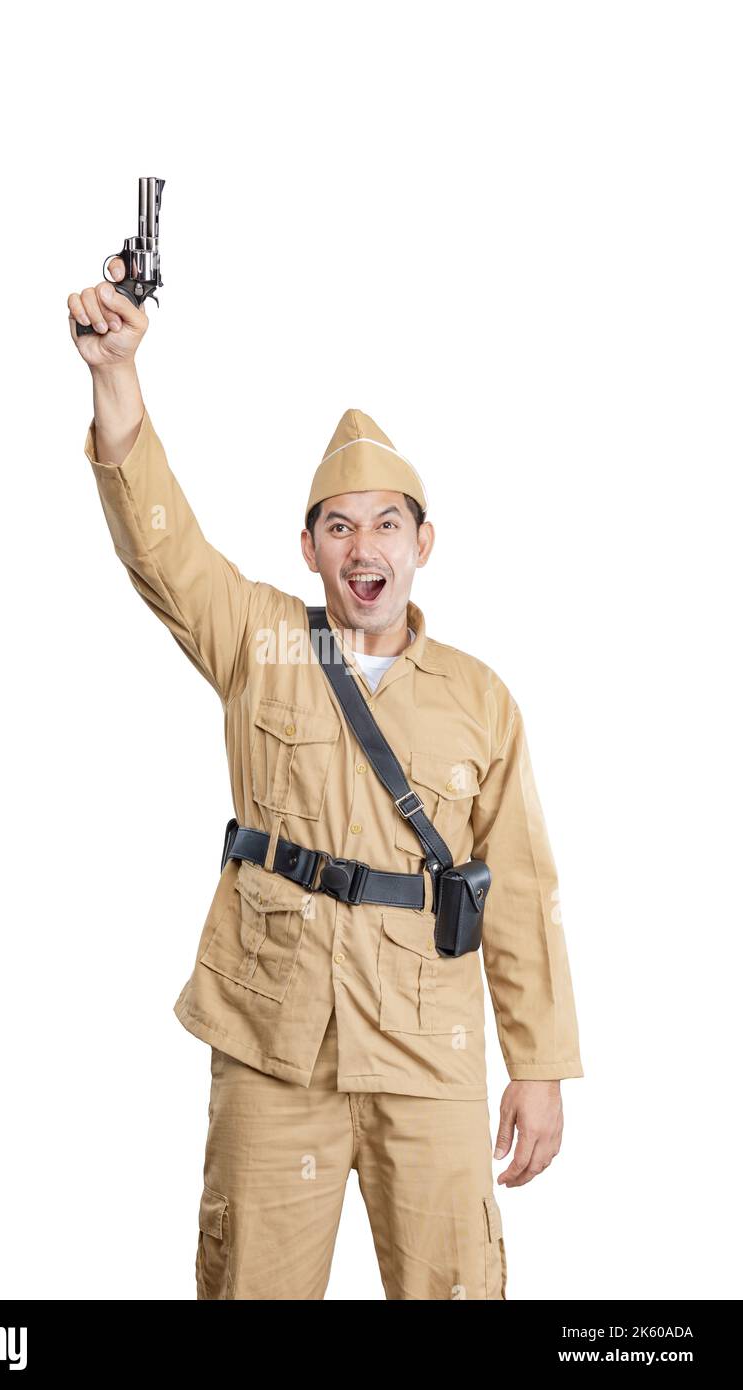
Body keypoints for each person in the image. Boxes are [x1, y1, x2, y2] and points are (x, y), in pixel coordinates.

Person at [68, 260, 584, 1301]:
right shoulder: (260, 643)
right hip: (275, 1041)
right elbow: (162, 549)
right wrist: (117, 379)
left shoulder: (480, 699)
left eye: (386, 523)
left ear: (422, 542)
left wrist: (539, 1065)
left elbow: (521, 889)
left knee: (454, 1287)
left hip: (426, 1050)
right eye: (338, 526)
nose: (364, 546)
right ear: (307, 549)